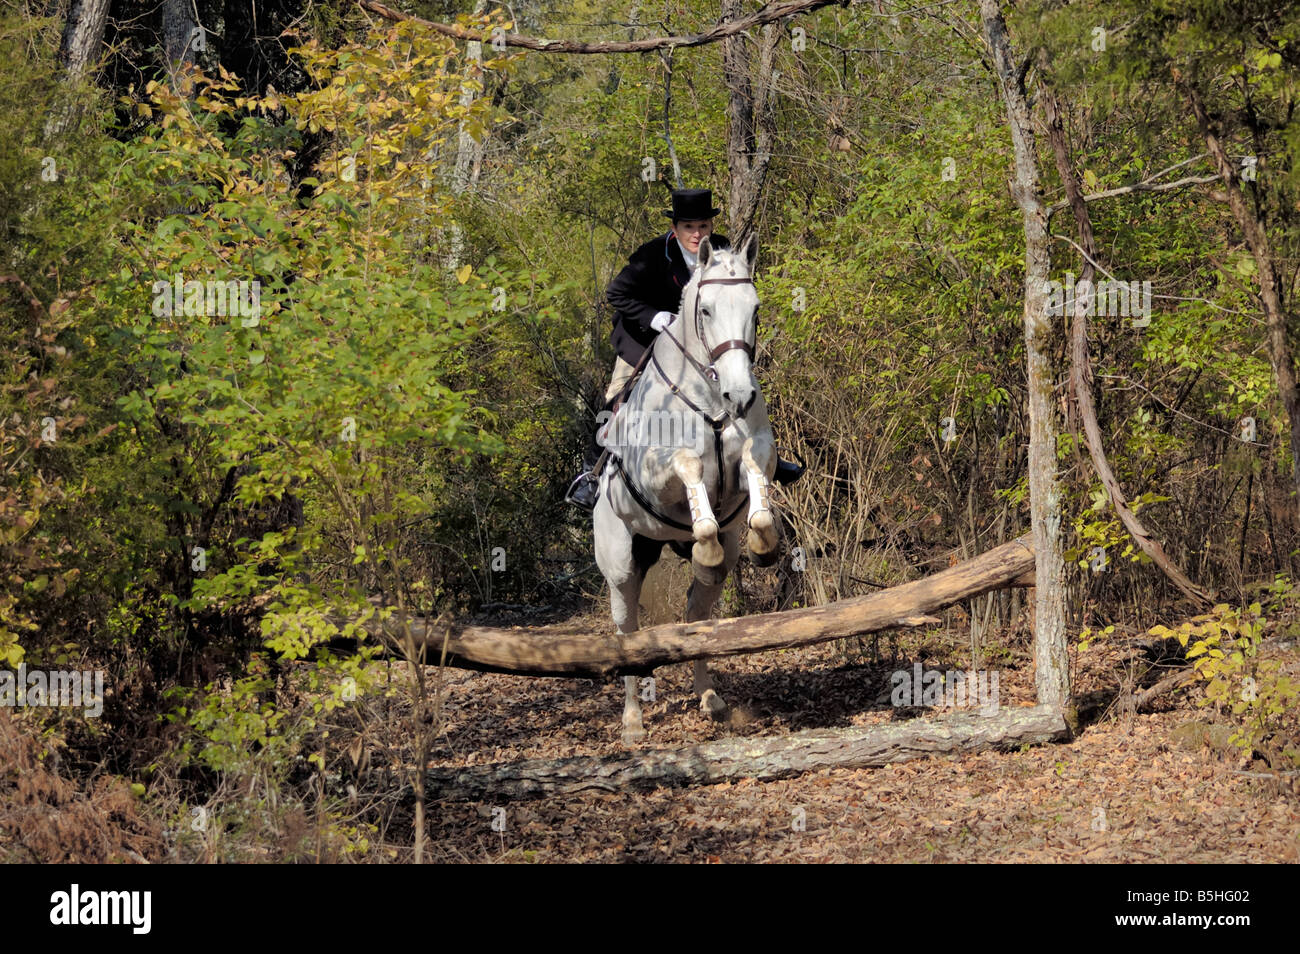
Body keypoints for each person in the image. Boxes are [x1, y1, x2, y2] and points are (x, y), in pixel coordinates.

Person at [566, 188, 803, 510]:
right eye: (689, 227)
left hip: (701, 345)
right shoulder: (651, 256)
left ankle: (766, 456)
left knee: (742, 385)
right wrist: (654, 318)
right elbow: (616, 294)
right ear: (675, 228)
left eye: (703, 226)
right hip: (643, 340)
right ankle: (591, 474)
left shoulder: (721, 251)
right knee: (619, 397)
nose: (697, 234)